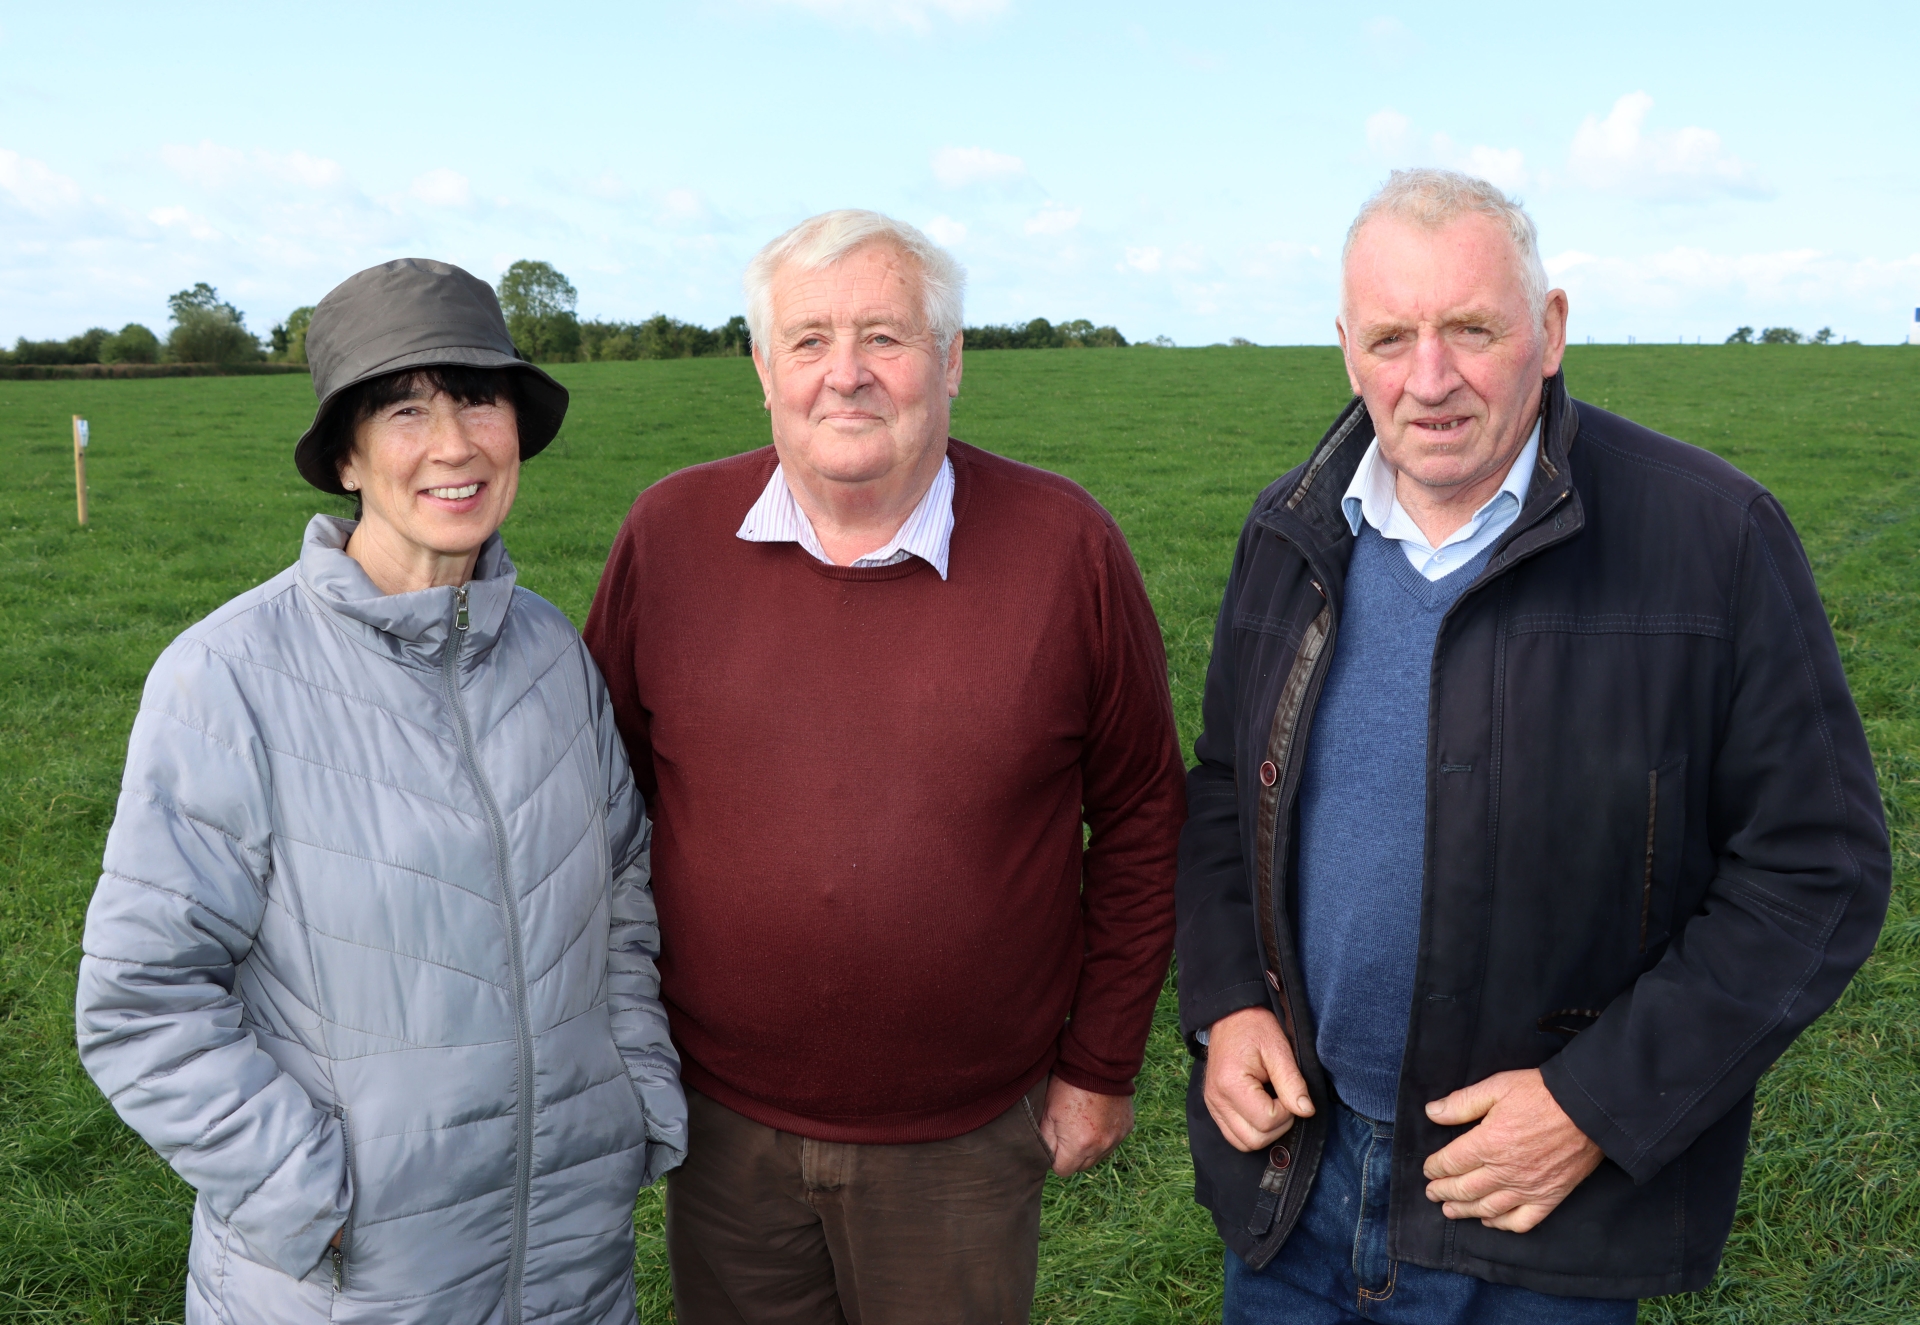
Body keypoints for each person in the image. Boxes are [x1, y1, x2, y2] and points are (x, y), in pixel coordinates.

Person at [1175, 169, 1890, 1323]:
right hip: (1297, 1189)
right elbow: (1221, 791)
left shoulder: (1713, 537)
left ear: (1549, 330)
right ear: (1345, 349)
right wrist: (1226, 999)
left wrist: (1595, 1106)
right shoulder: (1290, 530)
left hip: (1530, 1220)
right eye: (1392, 336)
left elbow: (1820, 871)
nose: (1430, 377)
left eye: (1472, 328)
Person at [582, 209, 1186, 1324]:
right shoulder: (667, 536)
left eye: (885, 337)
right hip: (720, 1124)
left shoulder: (1066, 547)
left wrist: (1101, 1063)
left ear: (951, 361)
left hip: (961, 1137)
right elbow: (596, 802)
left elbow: (1146, 811)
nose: (845, 374)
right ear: (763, 366)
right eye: (809, 340)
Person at [75, 258, 686, 1325]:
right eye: (405, 408)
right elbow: (142, 997)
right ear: (347, 456)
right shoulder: (227, 677)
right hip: (348, 1286)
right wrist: (304, 1192)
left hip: (568, 1270)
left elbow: (623, 889)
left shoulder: (549, 649)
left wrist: (631, 1087)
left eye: (479, 400)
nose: (453, 444)